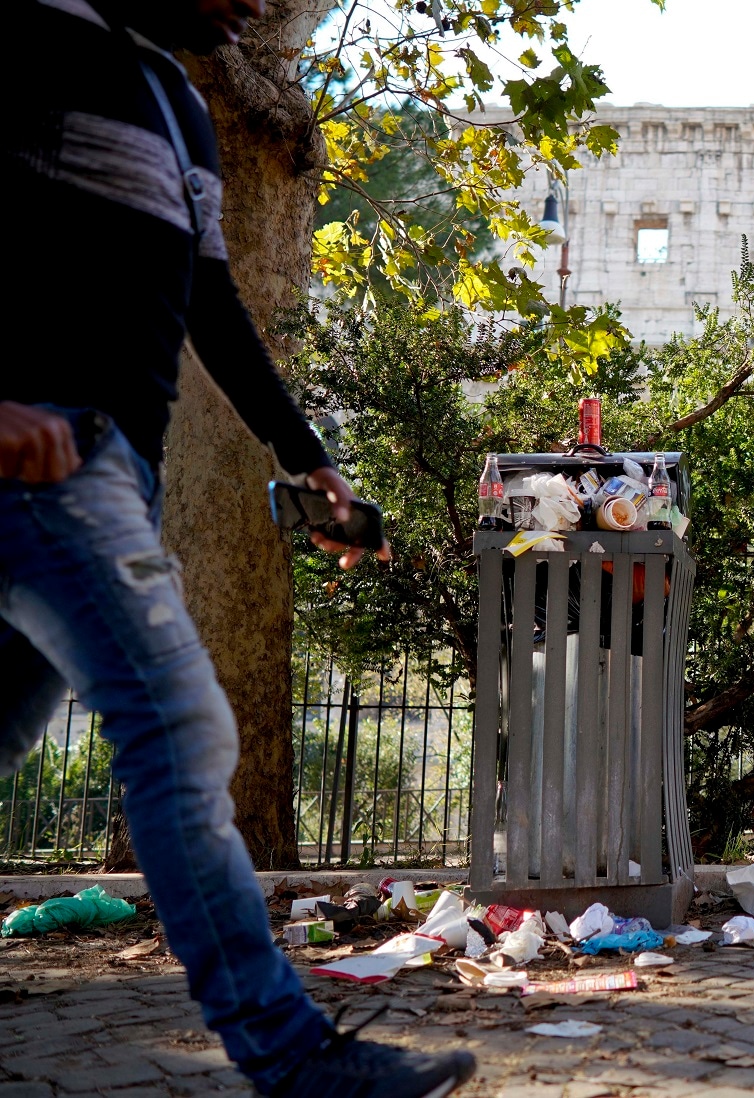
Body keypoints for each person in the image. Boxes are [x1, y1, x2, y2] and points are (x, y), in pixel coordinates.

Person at [1, 2, 473, 1094]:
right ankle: (293, 1059)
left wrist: (310, 459)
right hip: (47, 461)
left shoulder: (175, 96)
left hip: (113, 464)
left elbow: (208, 300)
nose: (252, 3)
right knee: (180, 730)